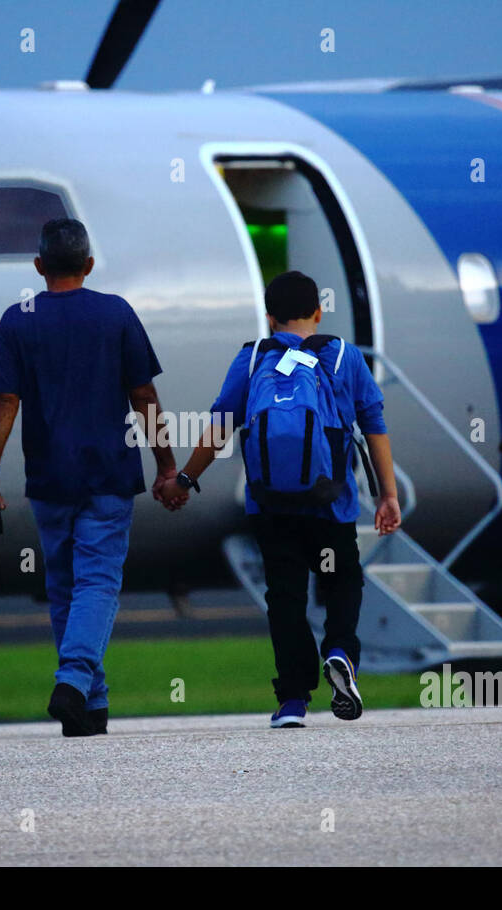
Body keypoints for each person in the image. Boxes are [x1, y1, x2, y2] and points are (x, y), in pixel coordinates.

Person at [160, 271, 401, 728]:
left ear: (269, 317)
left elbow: (219, 429)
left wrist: (185, 480)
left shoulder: (252, 360)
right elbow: (374, 427)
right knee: (343, 581)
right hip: (331, 507)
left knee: (285, 598)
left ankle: (292, 700)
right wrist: (387, 494)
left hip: (271, 507)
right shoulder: (344, 357)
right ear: (319, 311)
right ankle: (339, 651)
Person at [0, 218, 178, 737]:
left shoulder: (16, 320)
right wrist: (166, 464)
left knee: (65, 586)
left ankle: (91, 707)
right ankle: (72, 681)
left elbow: (6, 400)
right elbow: (143, 397)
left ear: (38, 266)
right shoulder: (116, 314)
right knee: (98, 584)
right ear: (89, 265)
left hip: (48, 476)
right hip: (108, 472)